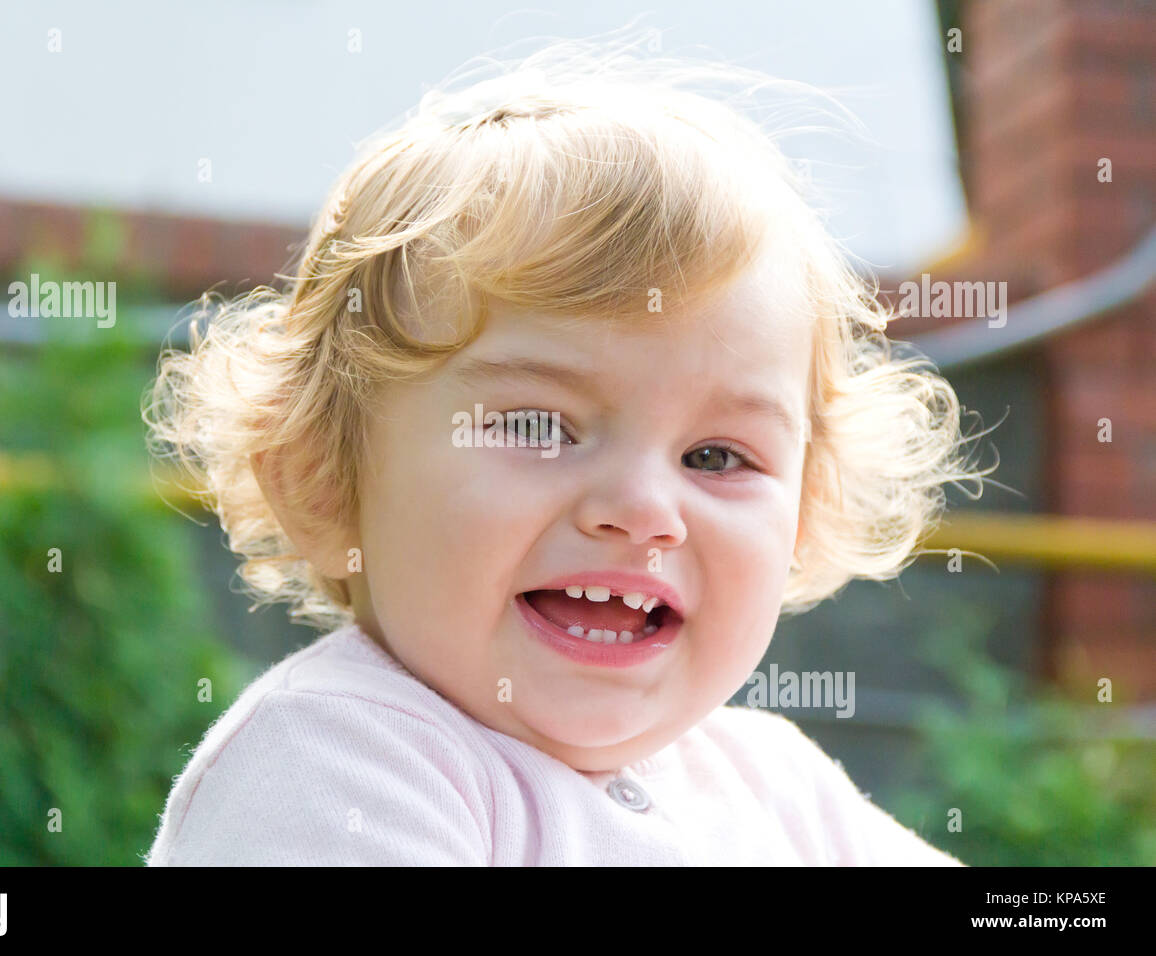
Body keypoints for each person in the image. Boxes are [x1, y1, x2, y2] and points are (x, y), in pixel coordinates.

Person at [142, 31, 987, 865]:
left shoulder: (779, 791)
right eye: (539, 428)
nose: (644, 513)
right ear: (324, 486)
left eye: (717, 457)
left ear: (806, 516)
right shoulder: (335, 758)